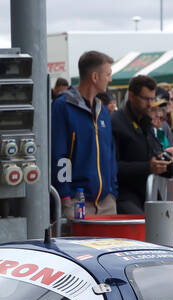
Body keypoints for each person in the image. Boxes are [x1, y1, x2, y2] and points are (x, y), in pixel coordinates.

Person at [50, 50, 118, 218]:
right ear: (94, 77)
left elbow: (110, 153)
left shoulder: (102, 111)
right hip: (76, 202)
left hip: (106, 204)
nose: (110, 79)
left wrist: (112, 192)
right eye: (107, 75)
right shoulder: (62, 107)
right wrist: (65, 196)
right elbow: (59, 155)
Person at [112, 75, 173, 214]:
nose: (150, 104)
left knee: (165, 226)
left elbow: (156, 153)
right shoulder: (116, 123)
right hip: (125, 195)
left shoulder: (147, 122)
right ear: (132, 96)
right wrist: (148, 167)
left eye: (152, 99)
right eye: (146, 99)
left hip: (149, 193)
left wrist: (172, 164)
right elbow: (113, 167)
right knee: (144, 228)